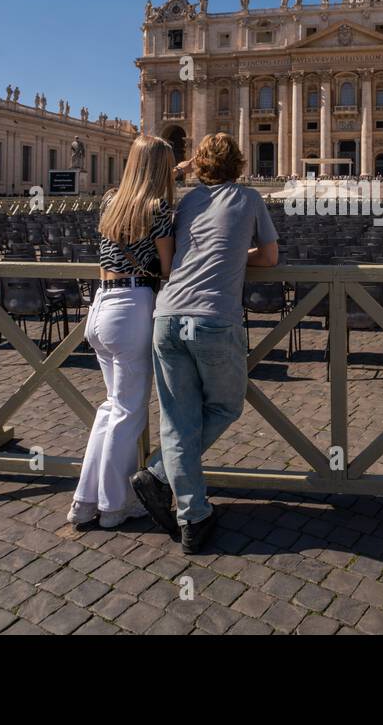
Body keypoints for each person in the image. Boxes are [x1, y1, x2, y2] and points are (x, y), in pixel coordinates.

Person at [131, 133, 278, 553]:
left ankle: (193, 516)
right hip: (213, 319)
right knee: (226, 406)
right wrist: (235, 255)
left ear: (200, 165)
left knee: (178, 419)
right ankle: (159, 475)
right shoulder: (249, 198)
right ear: (239, 163)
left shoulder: (184, 202)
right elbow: (269, 258)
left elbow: (175, 247)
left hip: (167, 315)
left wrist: (180, 168)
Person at [67, 135, 179, 529]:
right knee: (128, 411)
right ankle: (114, 506)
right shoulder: (159, 209)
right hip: (133, 308)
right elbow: (166, 270)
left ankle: (84, 501)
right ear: (161, 169)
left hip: (100, 306)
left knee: (110, 407)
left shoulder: (110, 201)